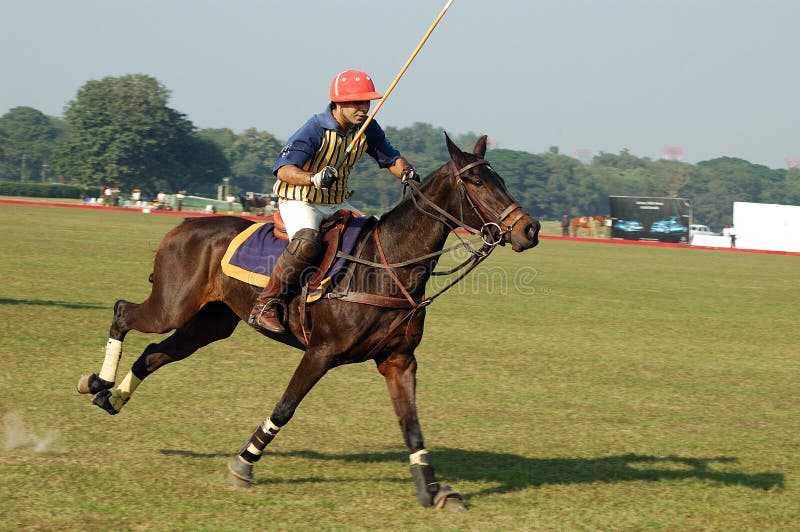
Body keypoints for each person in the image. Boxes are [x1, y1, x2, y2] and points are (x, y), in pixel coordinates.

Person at [248, 69, 419, 334]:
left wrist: (407, 174)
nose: (364, 108)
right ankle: (266, 304)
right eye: (358, 102)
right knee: (306, 241)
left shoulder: (368, 128)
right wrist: (314, 178)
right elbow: (283, 169)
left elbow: (391, 159)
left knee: (375, 236)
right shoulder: (315, 128)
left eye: (368, 102)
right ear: (338, 103)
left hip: (336, 203)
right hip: (300, 199)